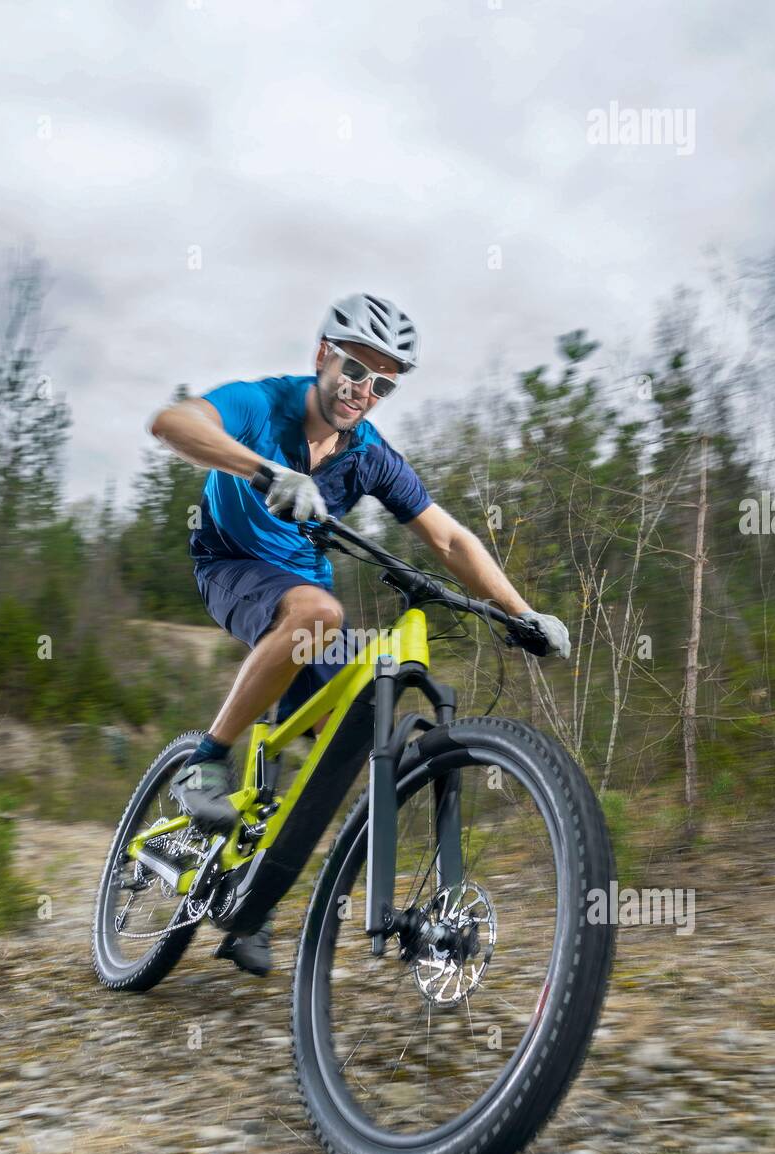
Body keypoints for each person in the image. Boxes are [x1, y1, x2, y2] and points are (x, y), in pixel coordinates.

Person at [149, 293, 570, 975]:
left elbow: (449, 539)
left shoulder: (369, 455)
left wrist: (522, 614)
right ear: (323, 354)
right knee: (321, 615)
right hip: (230, 564)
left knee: (345, 737)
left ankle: (253, 898)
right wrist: (265, 470)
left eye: (382, 384)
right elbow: (172, 423)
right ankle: (208, 758)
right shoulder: (263, 405)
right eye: (354, 369)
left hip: (304, 591)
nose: (363, 391)